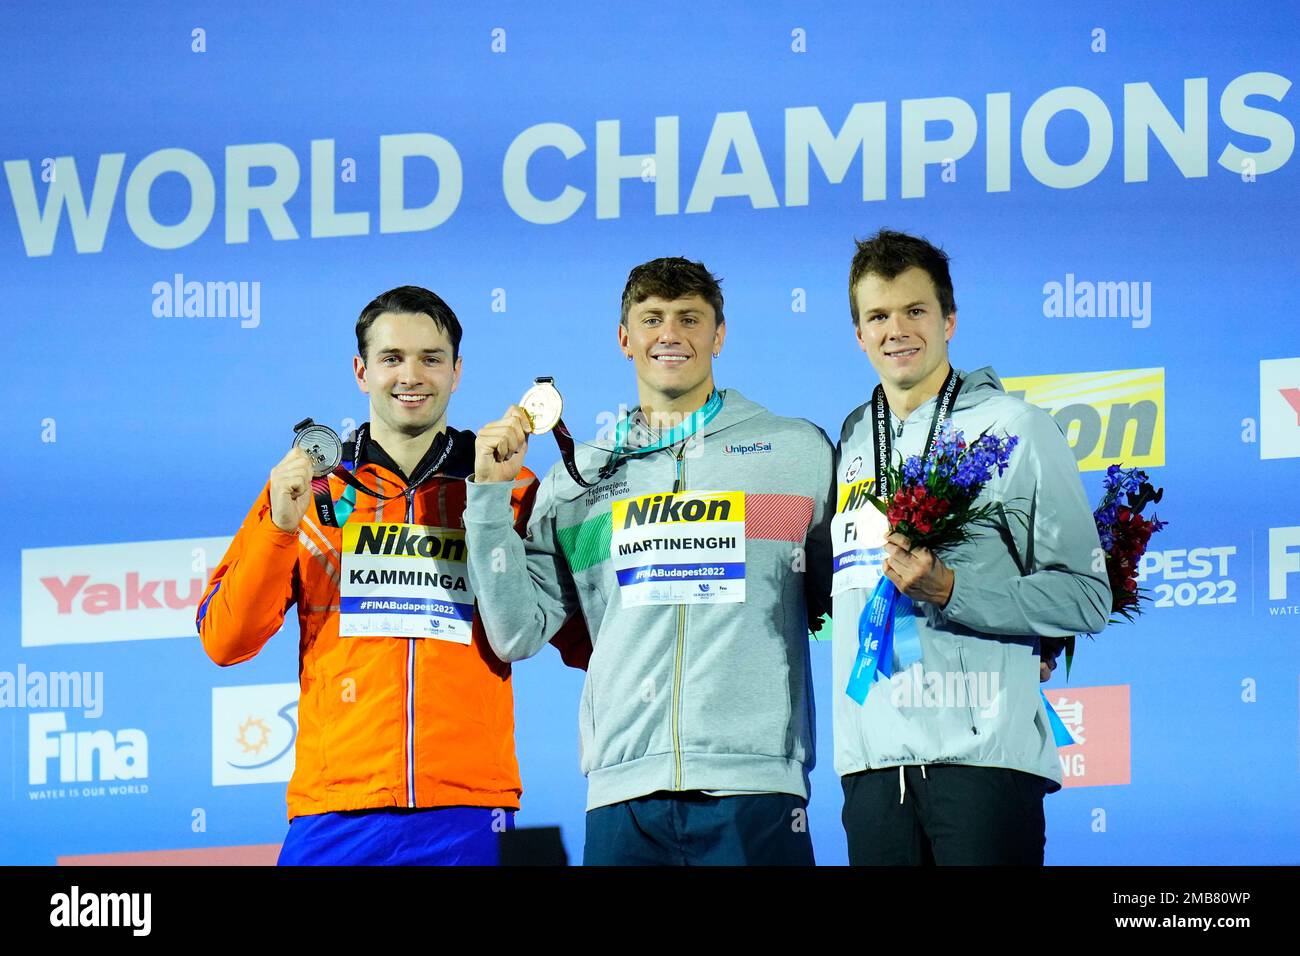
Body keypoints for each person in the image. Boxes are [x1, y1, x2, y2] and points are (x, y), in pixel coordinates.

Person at [197, 285, 588, 865]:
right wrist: (279, 527)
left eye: (431, 358)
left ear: (457, 372)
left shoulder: (512, 486)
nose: (412, 375)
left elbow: (582, 641)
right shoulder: (312, 489)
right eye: (391, 359)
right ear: (361, 372)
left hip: (470, 809)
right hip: (336, 807)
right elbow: (225, 640)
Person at [463, 257, 834, 865]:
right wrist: (486, 498)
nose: (670, 335)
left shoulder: (798, 451)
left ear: (719, 334)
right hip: (623, 791)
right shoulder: (579, 479)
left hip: (757, 784)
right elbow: (514, 633)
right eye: (652, 319)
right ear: (625, 339)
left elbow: (836, 590)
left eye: (690, 319)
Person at [831, 230, 1111, 865]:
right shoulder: (849, 444)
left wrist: (956, 592)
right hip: (872, 767)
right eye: (878, 316)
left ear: (949, 320)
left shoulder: (1018, 429)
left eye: (915, 311)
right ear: (858, 334)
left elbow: (1089, 597)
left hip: (982, 760)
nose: (896, 330)